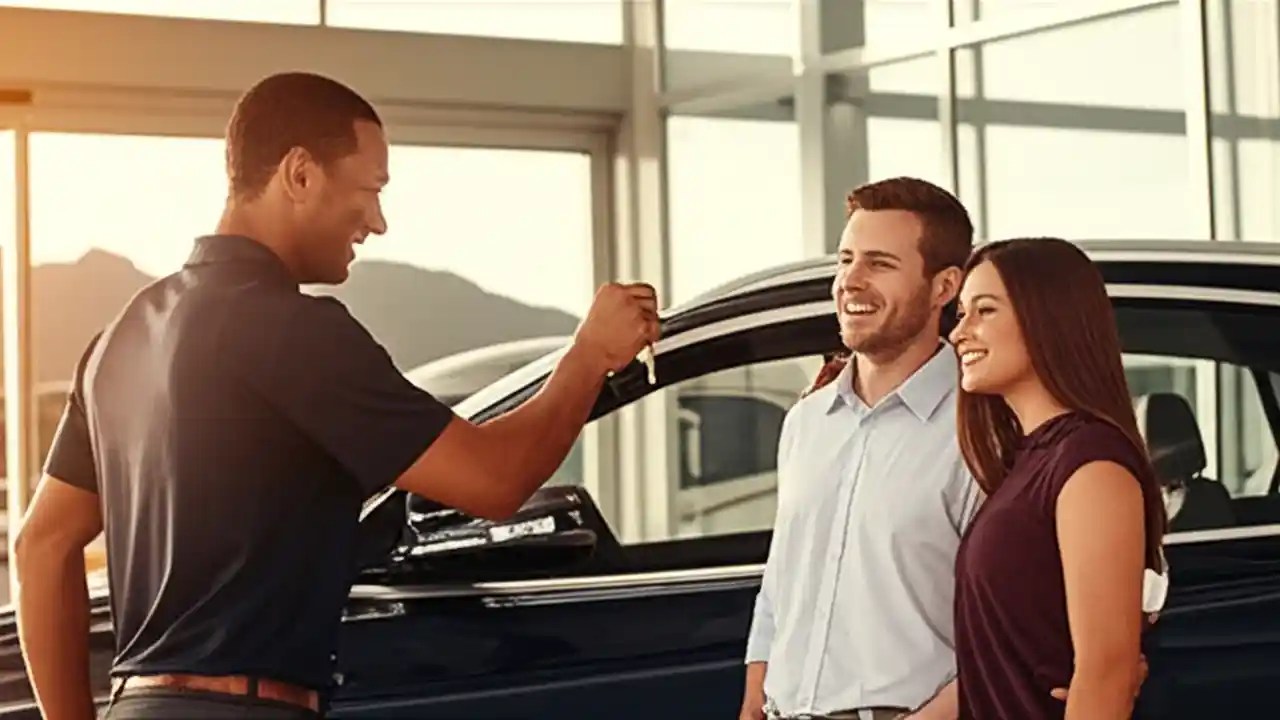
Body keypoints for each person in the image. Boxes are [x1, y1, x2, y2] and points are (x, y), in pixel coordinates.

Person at [12, 71, 659, 720]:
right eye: (369, 190)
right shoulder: (294, 331)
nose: (377, 221)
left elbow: (41, 546)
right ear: (299, 174)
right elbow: (495, 479)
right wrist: (588, 357)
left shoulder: (119, 339)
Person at [740, 176, 981, 720]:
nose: (851, 280)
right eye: (846, 259)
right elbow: (780, 588)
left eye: (879, 263)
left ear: (945, 287)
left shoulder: (980, 431)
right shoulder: (806, 422)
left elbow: (1008, 631)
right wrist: (755, 703)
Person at [948, 237, 1167, 719]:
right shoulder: (1027, 463)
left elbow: (1106, 673)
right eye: (961, 313)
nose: (959, 333)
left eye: (984, 310)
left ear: (1047, 319)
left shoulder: (1090, 464)